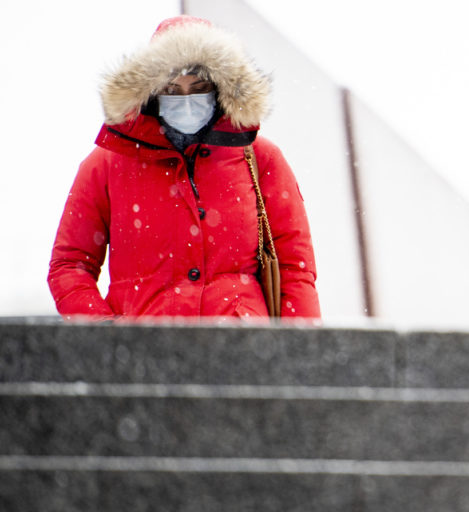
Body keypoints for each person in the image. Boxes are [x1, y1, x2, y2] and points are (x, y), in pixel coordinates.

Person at [48, 15, 321, 322]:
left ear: (219, 89)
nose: (187, 100)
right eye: (172, 89)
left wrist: (299, 357)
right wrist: (110, 337)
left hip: (243, 356)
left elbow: (296, 271)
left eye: (199, 86)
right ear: (152, 93)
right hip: (144, 361)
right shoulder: (106, 163)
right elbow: (69, 266)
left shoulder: (260, 158)